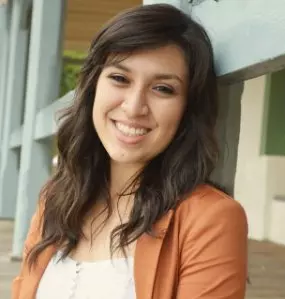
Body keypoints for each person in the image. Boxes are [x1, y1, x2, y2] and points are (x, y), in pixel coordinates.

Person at [12, 3, 248, 299]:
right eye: (120, 79)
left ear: (188, 109)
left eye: (163, 88)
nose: (134, 107)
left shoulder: (210, 219)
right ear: (93, 86)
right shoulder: (56, 200)